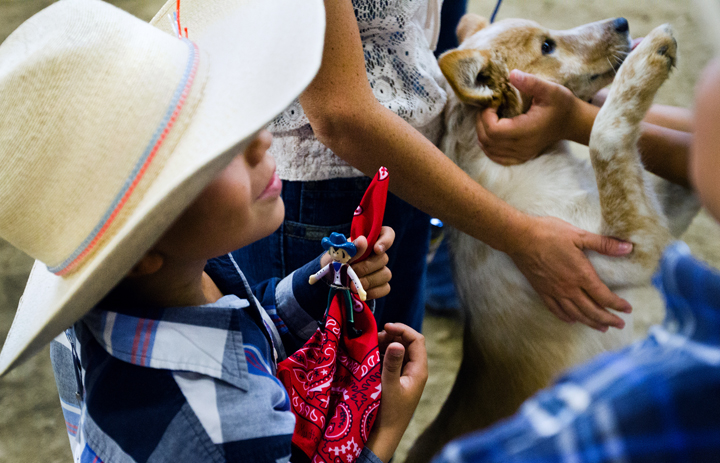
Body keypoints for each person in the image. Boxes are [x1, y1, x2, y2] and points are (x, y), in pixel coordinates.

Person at [0, 1, 427, 462]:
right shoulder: (225, 423)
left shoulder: (176, 279)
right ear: (141, 248)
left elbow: (245, 319)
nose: (261, 139)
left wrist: (323, 280)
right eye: (214, 151)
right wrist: (382, 434)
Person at [231, 0, 635, 334]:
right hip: (326, 190)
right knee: (324, 401)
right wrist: (522, 237)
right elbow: (340, 116)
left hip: (409, 166)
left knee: (389, 365)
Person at [430, 57, 720, 463]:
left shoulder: (618, 404)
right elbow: (701, 142)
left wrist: (591, 121)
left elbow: (642, 249)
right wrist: (587, 107)